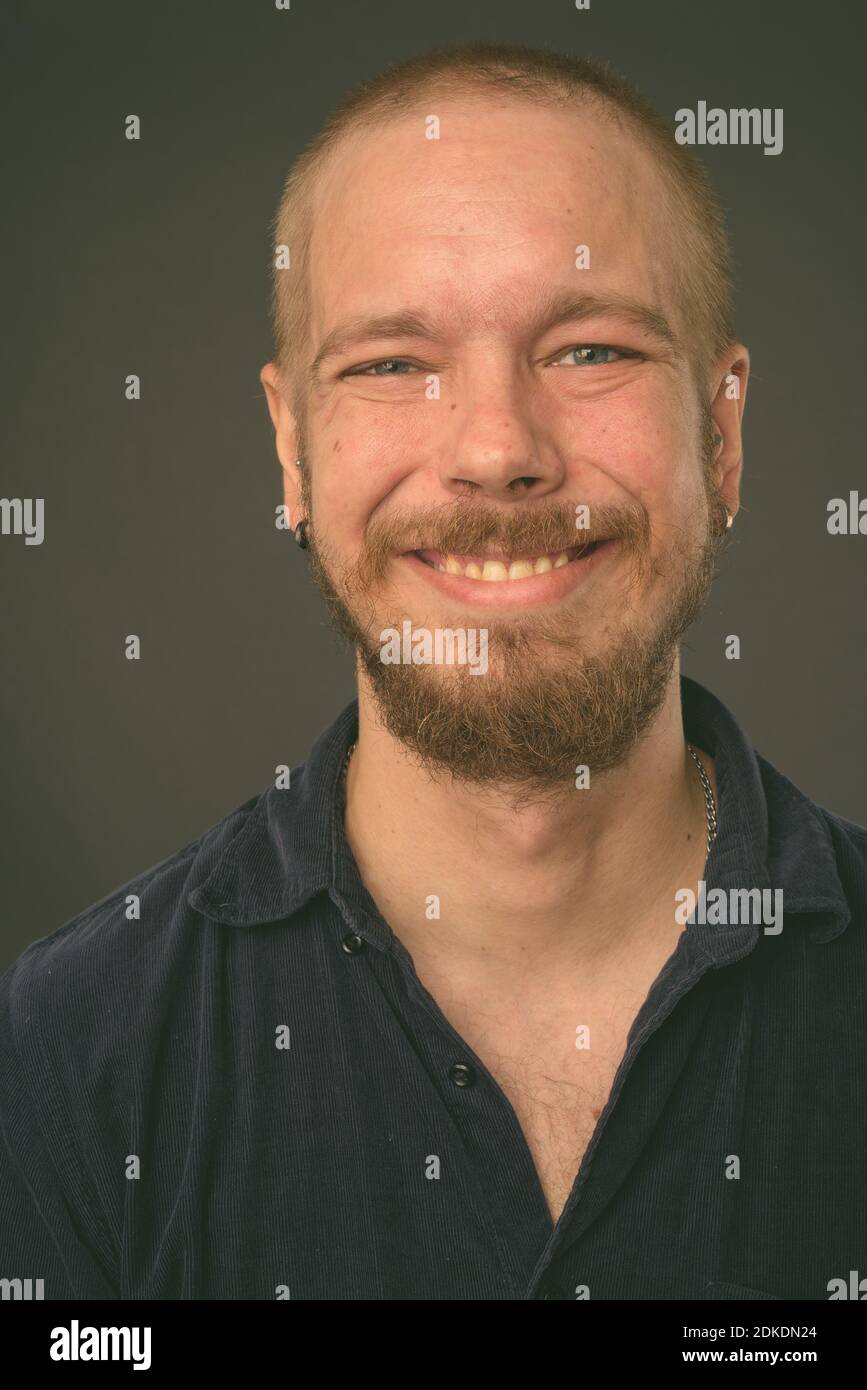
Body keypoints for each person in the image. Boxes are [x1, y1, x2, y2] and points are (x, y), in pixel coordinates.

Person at [2, 43, 865, 1303]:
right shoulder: (63, 1058)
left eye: (591, 351)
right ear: (292, 449)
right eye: (391, 364)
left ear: (722, 434)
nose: (498, 451)